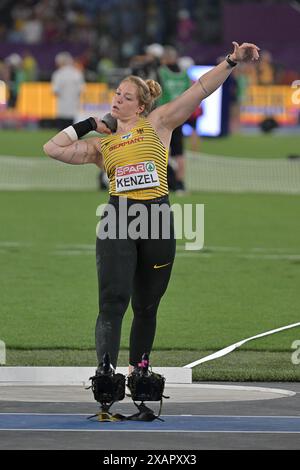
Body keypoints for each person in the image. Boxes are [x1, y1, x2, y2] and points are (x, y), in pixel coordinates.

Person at [43, 41, 260, 376]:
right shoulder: (101, 146)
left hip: (157, 219)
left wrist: (231, 61)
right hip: (118, 219)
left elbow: (200, 89)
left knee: (146, 306)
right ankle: (105, 371)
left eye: (127, 97)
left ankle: (139, 370)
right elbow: (52, 148)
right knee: (113, 302)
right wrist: (87, 124)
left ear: (141, 106)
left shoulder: (159, 123)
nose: (117, 100)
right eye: (117, 94)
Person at [157, 46, 191, 192]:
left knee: (159, 150)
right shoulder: (184, 75)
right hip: (179, 117)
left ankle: (161, 182)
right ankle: (180, 183)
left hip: (164, 117)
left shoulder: (161, 72)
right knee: (179, 152)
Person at [51, 52, 85, 130]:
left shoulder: (58, 74)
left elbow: (55, 91)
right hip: (73, 108)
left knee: (61, 135)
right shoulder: (77, 73)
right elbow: (81, 90)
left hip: (62, 109)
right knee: (72, 133)